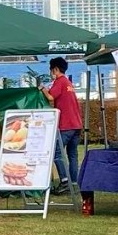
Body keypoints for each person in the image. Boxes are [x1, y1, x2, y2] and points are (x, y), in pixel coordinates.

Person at [42, 57, 83, 193]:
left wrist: (42, 88)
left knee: (56, 152)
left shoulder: (59, 82)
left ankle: (64, 181)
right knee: (72, 155)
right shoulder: (68, 83)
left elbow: (50, 97)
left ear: (55, 69)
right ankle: (74, 183)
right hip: (76, 124)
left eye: (51, 70)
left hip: (66, 125)